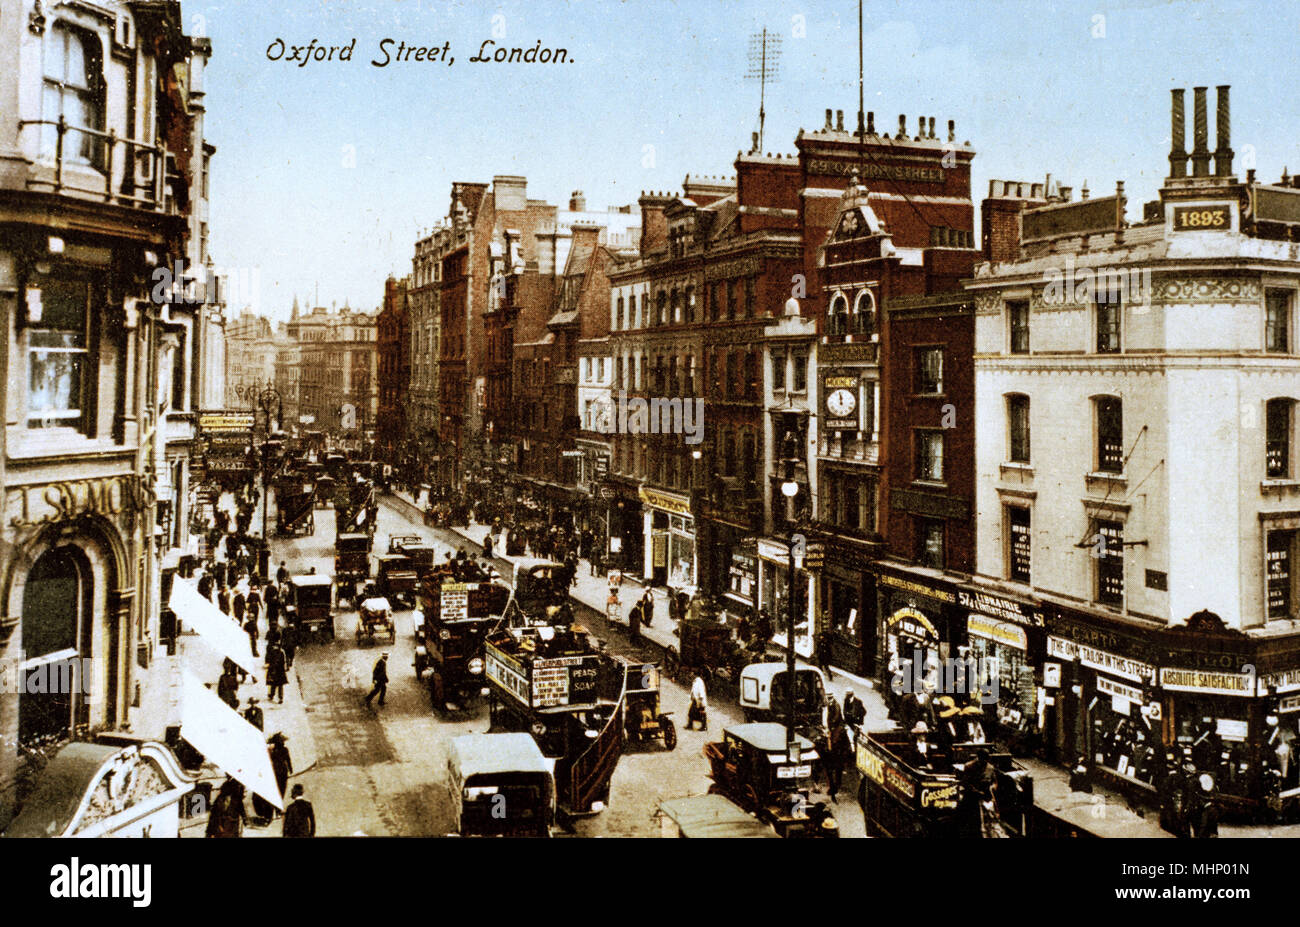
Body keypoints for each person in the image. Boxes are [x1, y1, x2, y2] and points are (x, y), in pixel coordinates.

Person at [824, 722, 851, 801]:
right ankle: (833, 787)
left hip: (837, 755)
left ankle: (836, 786)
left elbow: (846, 745)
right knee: (831, 772)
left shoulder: (840, 731)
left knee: (836, 771)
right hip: (832, 755)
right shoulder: (830, 732)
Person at [268, 732, 293, 813]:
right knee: (282, 789)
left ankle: (277, 808)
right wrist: (290, 769)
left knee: (277, 789)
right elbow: (288, 760)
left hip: (275, 771)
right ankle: (278, 808)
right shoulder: (284, 749)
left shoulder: (272, 751)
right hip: (282, 771)